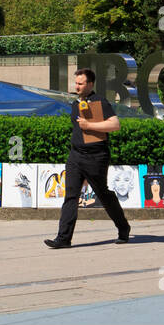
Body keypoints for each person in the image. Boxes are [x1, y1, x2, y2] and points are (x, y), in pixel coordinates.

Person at [45, 68, 132, 248]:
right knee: (71, 196)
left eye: (80, 83)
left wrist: (89, 125)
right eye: (75, 83)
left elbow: (115, 125)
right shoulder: (76, 103)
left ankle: (123, 227)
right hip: (75, 156)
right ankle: (63, 239)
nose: (76, 86)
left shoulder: (100, 101)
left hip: (96, 157)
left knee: (103, 194)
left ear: (90, 84)